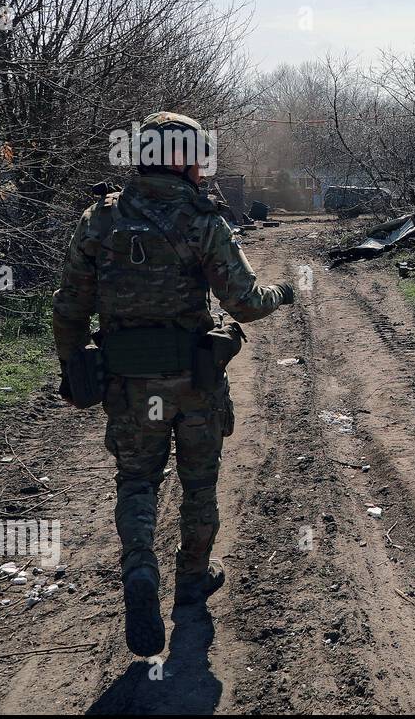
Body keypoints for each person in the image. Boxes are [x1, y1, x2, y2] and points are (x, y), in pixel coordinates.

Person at [52, 111, 294, 656]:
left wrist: (74, 368)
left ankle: (141, 570)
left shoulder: (100, 220)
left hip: (130, 386)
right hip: (193, 385)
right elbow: (246, 304)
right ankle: (191, 582)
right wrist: (281, 293)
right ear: (181, 158)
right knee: (199, 485)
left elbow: (69, 306)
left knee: (137, 483)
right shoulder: (203, 221)